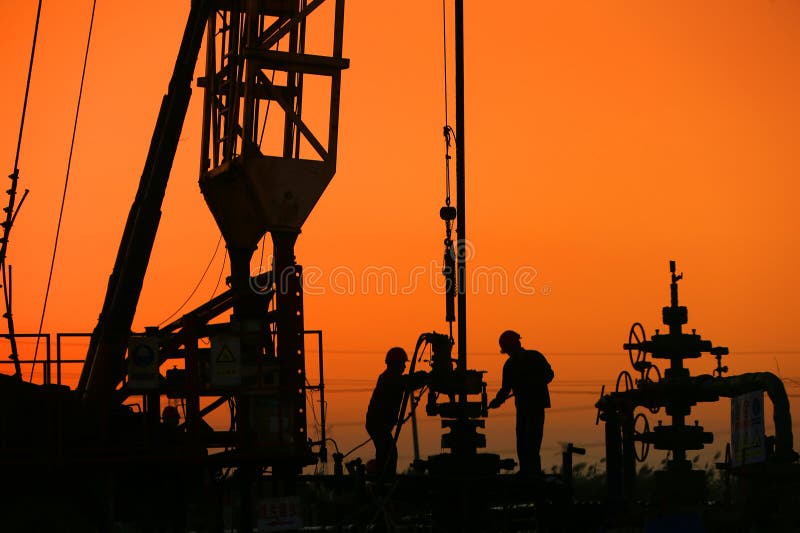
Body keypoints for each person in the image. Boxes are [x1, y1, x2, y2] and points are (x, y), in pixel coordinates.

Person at [488, 330, 554, 475]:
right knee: (522, 442)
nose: (509, 353)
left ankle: (532, 473)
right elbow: (505, 389)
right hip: (523, 407)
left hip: (536, 406)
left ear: (516, 345)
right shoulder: (510, 365)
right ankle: (526, 472)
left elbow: (549, 375)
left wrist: (533, 382)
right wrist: (497, 401)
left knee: (532, 442)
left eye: (509, 350)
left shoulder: (535, 357)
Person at [365, 347, 427, 480]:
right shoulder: (389, 379)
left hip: (379, 425)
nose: (404, 366)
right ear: (394, 364)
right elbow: (407, 382)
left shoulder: (389, 378)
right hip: (377, 425)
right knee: (389, 453)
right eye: (402, 363)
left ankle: (382, 476)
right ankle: (383, 479)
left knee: (387, 452)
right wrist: (425, 376)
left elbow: (407, 382)